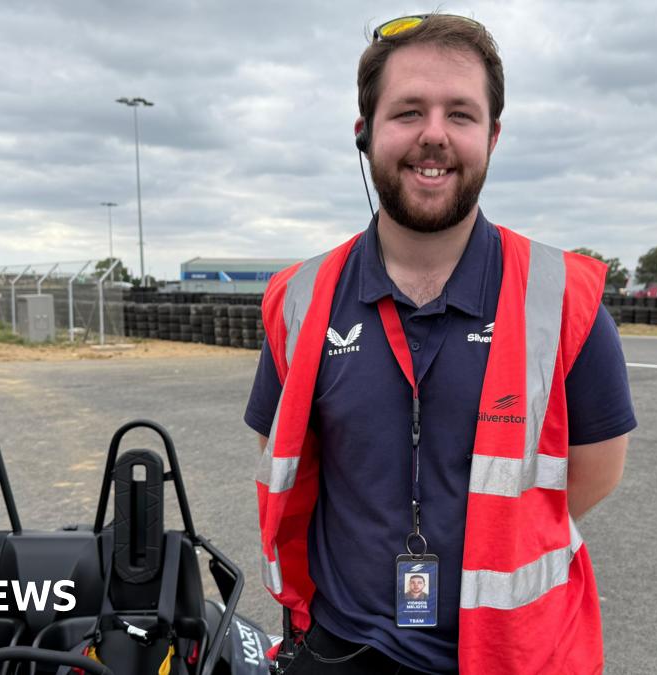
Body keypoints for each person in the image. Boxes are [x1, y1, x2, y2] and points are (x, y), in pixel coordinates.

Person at [246, 13, 636, 675]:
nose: (434, 135)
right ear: (365, 134)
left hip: (511, 656)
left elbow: (594, 474)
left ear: (493, 134)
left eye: (460, 113)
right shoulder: (301, 298)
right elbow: (280, 450)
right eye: (408, 112)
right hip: (342, 648)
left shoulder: (565, 298)